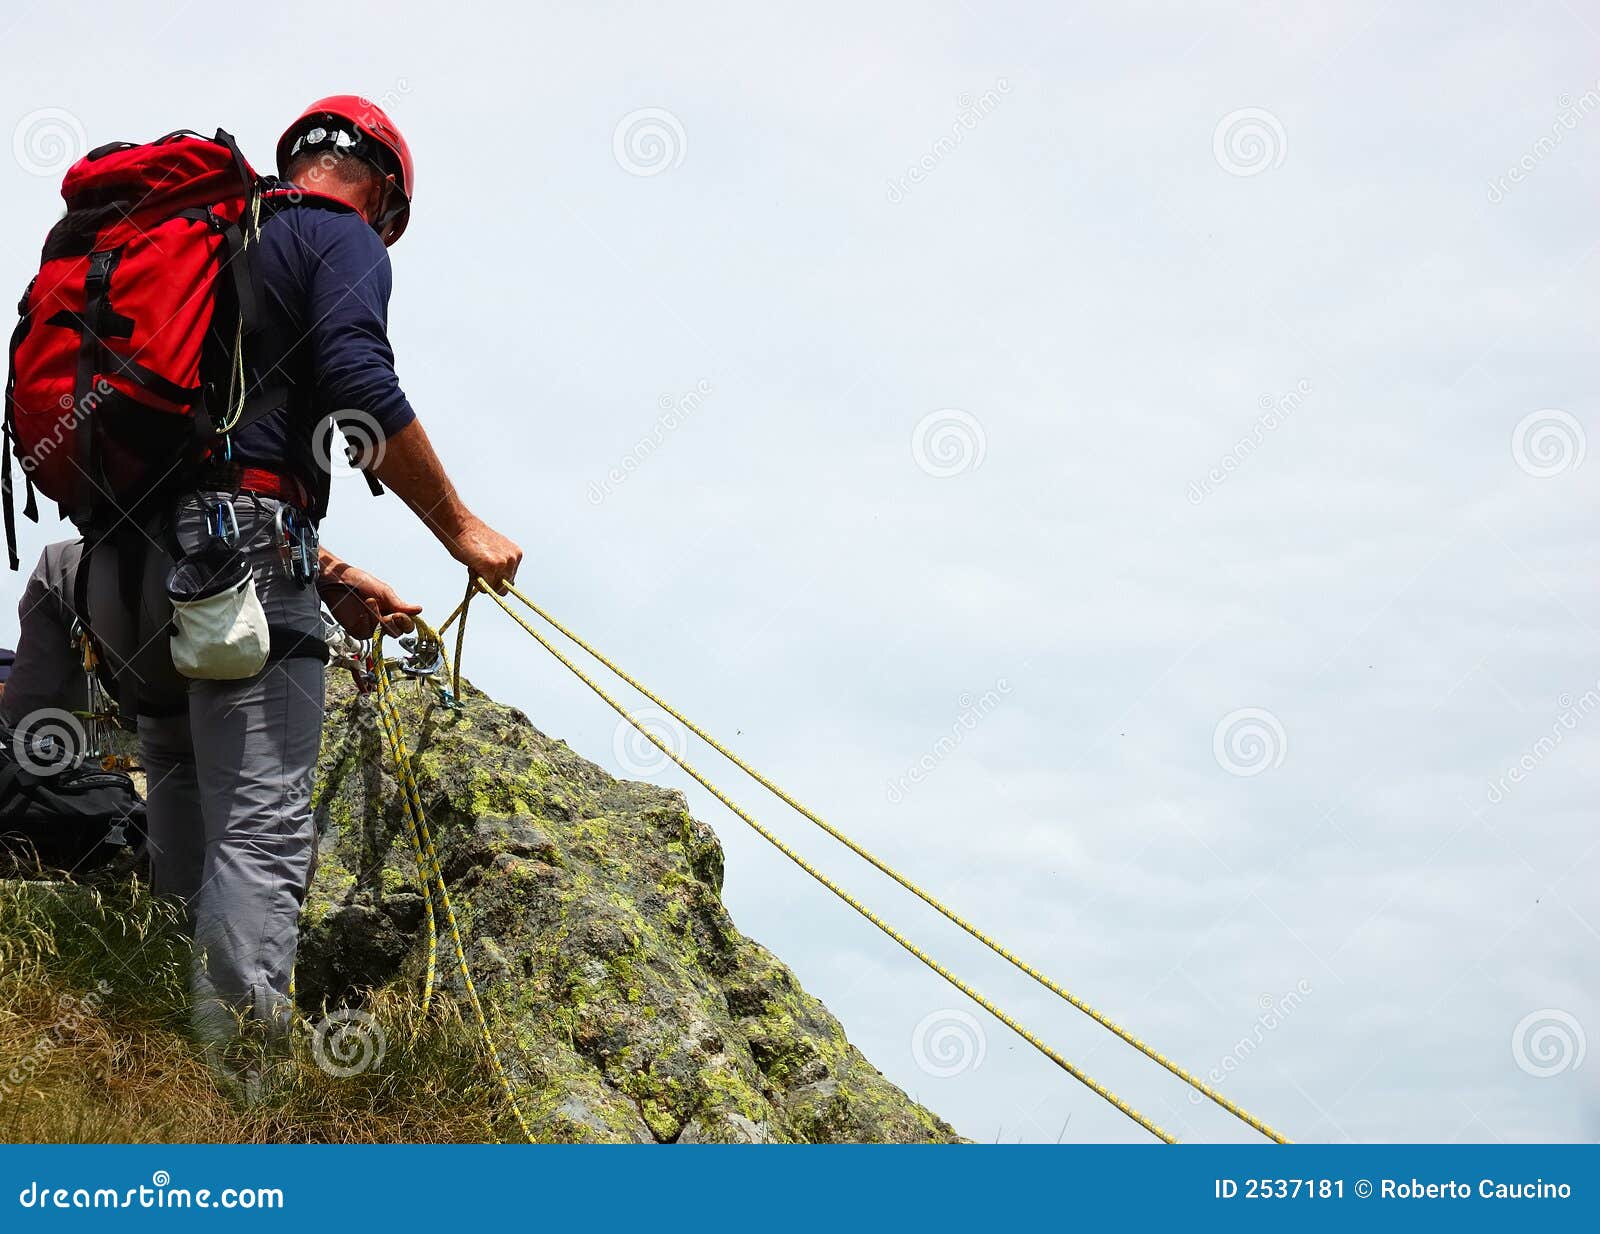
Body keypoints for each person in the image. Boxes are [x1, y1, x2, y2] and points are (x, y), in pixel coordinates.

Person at [65, 95, 522, 1072]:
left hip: (120, 572)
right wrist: (460, 528)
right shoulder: (337, 237)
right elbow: (357, 382)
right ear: (385, 191)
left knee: (183, 790)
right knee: (265, 825)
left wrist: (328, 576)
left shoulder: (209, 239)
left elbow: (204, 451)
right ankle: (237, 1089)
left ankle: (161, 1070)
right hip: (234, 566)